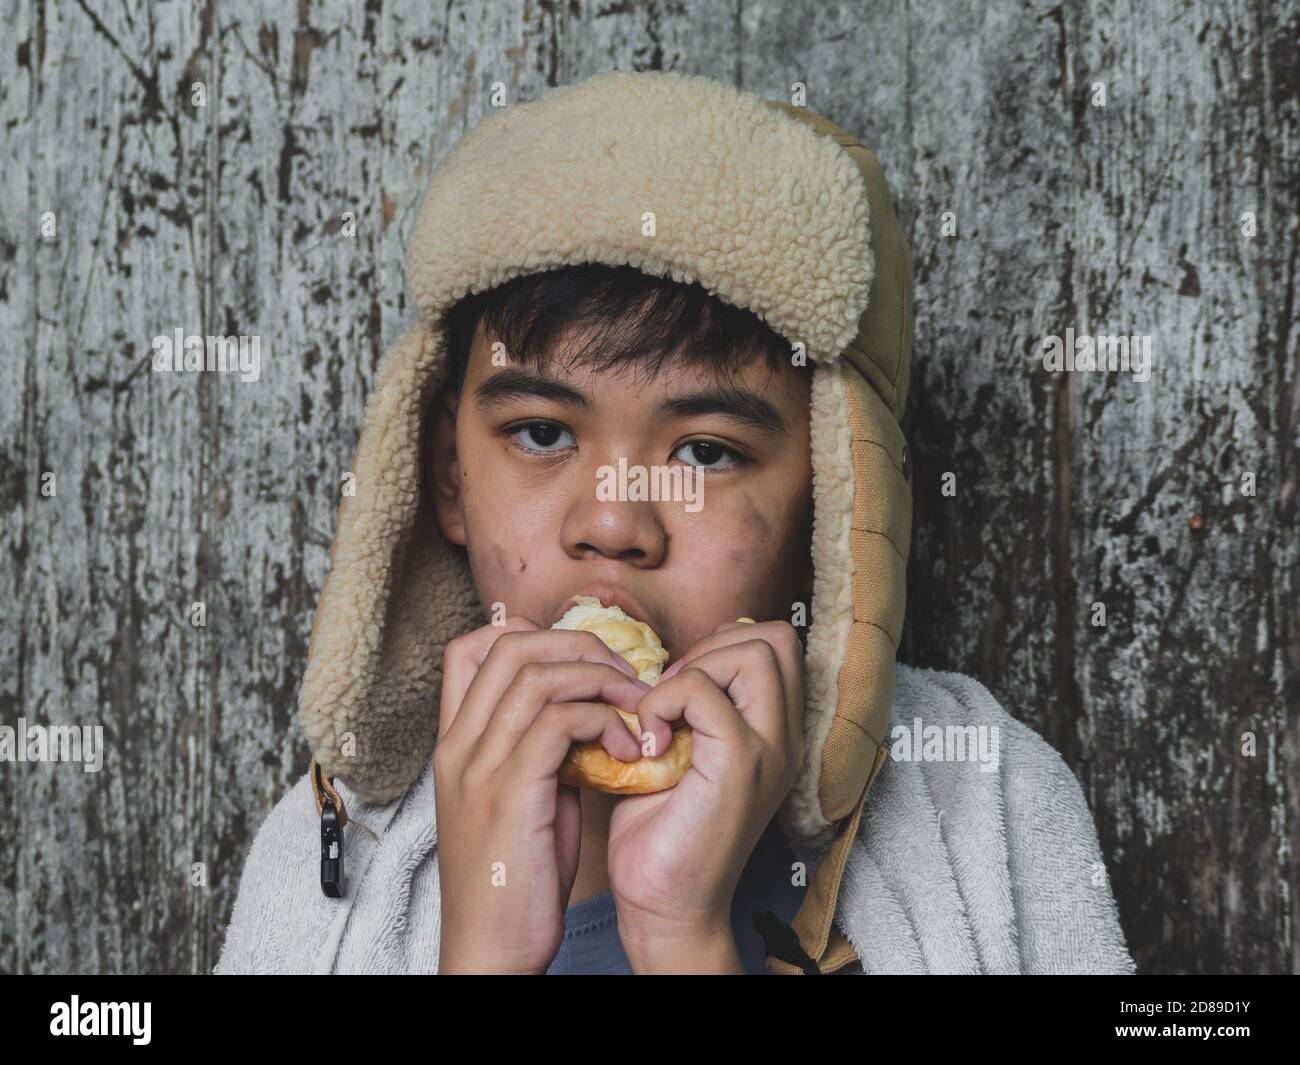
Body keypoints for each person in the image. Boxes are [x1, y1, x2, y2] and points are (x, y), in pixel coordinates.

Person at [214, 70, 1134, 975]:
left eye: (705, 452)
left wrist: (684, 942)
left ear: (832, 502)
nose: (614, 523)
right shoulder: (331, 860)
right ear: (449, 478)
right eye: (540, 433)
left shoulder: (980, 801)